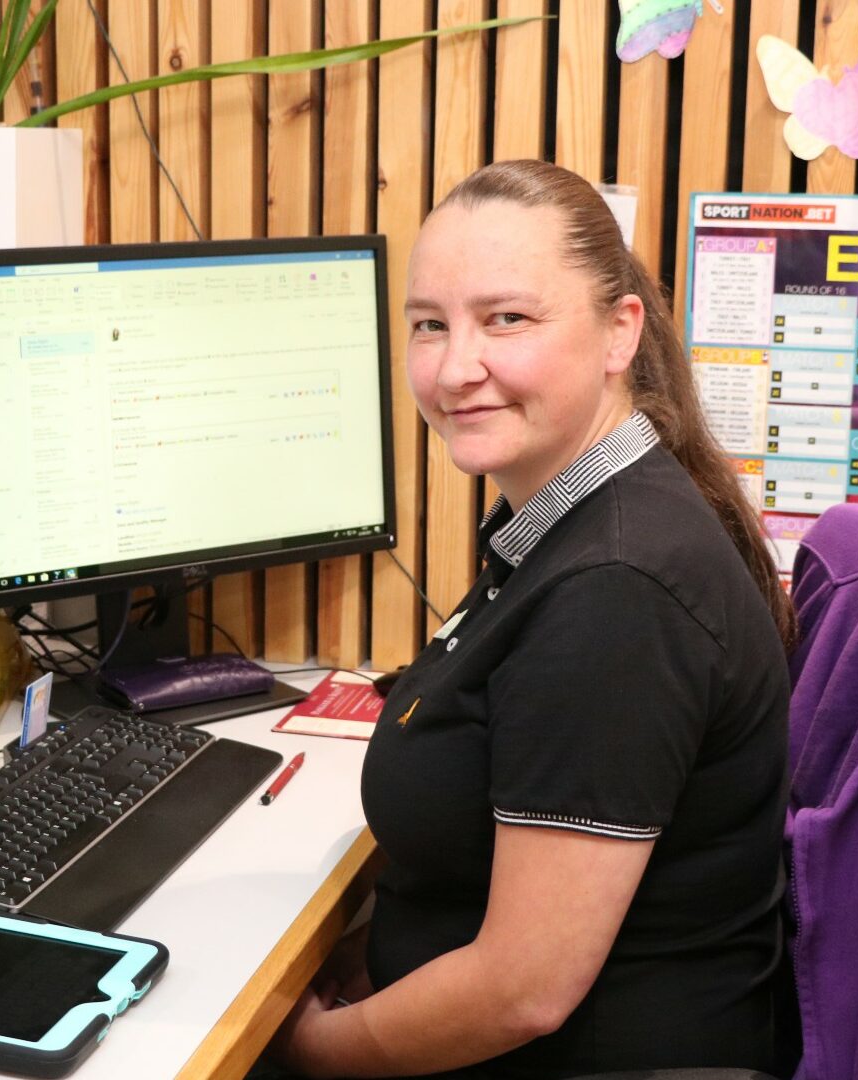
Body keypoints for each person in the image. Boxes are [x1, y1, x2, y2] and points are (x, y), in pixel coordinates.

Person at [268, 159, 797, 1079]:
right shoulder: (576, 518)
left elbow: (523, 990)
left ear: (617, 333)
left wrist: (304, 1047)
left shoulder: (618, 591)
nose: (455, 367)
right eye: (429, 325)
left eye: (506, 319)